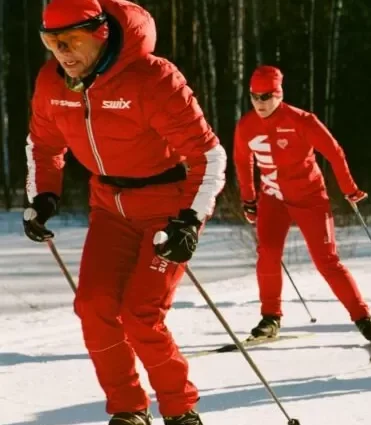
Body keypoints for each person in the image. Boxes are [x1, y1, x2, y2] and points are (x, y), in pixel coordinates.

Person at [23, 0, 226, 423]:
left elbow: (209, 156)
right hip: (108, 206)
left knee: (140, 315)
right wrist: (44, 196)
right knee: (94, 306)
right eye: (51, 42)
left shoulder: (152, 78)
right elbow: (42, 147)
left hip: (168, 207)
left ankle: (180, 409)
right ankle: (128, 409)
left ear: (100, 33)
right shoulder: (51, 83)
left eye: (71, 40)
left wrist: (189, 219)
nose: (63, 53)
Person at [233, 65, 371, 348]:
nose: (260, 103)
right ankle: (270, 318)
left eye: (266, 96)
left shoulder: (301, 120)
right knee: (267, 253)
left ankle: (363, 318)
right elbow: (243, 161)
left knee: (326, 260)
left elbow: (334, 152)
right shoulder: (246, 125)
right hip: (273, 198)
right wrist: (249, 199)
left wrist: (349, 188)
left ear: (279, 94)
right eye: (254, 96)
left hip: (309, 198)